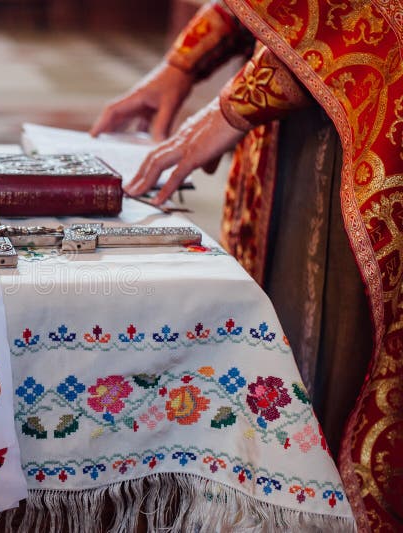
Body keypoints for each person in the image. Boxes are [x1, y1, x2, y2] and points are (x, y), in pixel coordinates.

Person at [91, 2, 402, 531]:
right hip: (285, 118)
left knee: (336, 379)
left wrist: (234, 105)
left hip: (361, 128)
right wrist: (184, 63)